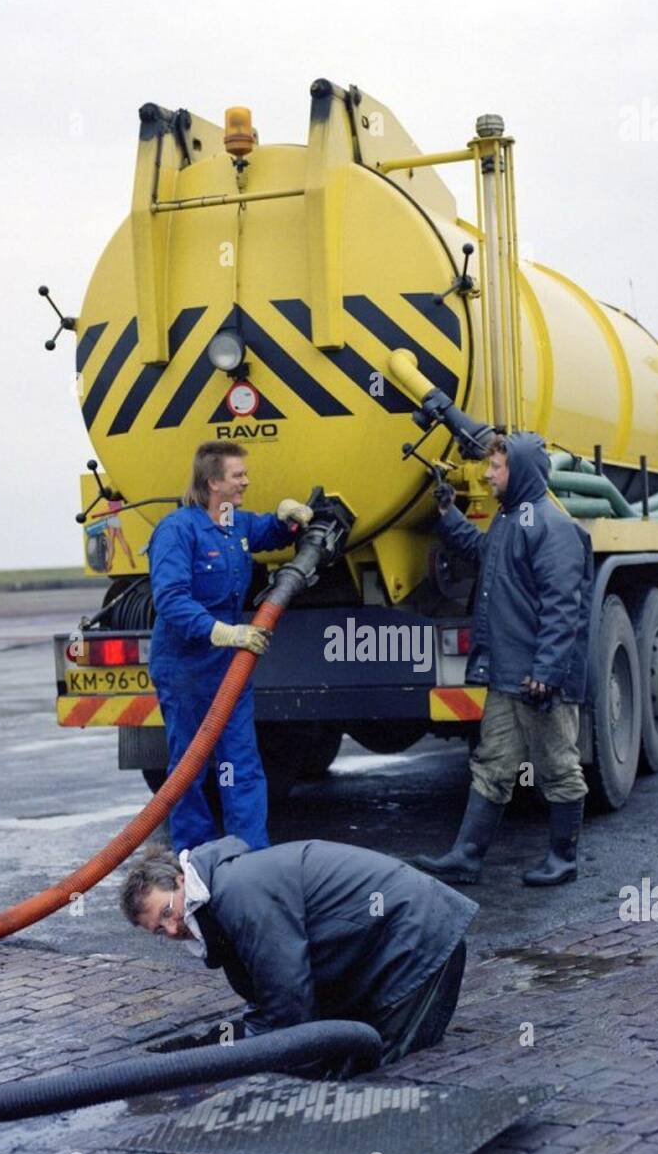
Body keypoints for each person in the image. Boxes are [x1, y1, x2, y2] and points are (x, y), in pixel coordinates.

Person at [119, 837, 475, 1077]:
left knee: (386, 1068)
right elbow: (265, 992)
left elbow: (288, 993)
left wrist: (275, 1072)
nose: (171, 927)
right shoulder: (220, 898)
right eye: (159, 930)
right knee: (355, 1054)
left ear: (181, 881)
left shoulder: (237, 891)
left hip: (419, 935)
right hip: (394, 939)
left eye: (166, 911)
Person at [412, 431, 594, 886]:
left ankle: (563, 859)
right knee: (493, 764)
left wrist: (547, 673)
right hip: (508, 675)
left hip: (538, 680)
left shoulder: (552, 527)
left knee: (557, 766)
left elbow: (563, 605)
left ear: (521, 471)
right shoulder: (512, 520)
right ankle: (466, 857)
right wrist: (447, 513)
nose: (488, 475)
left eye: (496, 468)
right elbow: (483, 553)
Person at [146, 441, 314, 852]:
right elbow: (170, 599)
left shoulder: (232, 522)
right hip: (185, 665)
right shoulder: (177, 530)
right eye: (238, 475)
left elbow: (264, 532)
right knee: (190, 764)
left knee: (240, 762)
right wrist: (221, 631)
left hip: (228, 666)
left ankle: (250, 854)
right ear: (213, 482)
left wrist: (285, 518)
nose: (246, 481)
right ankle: (194, 856)